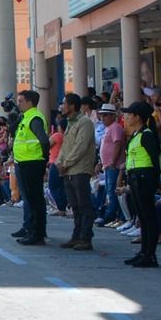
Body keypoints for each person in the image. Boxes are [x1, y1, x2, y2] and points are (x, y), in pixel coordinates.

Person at [120, 102, 161, 267]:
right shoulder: (137, 135)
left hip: (145, 178)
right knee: (142, 217)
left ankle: (150, 254)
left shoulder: (147, 135)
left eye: (130, 114)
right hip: (136, 178)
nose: (127, 117)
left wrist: (156, 181)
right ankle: (144, 252)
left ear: (138, 117)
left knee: (148, 217)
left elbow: (155, 160)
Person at [58, 93, 99, 250]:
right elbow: (66, 145)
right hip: (68, 170)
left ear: (72, 106)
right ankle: (76, 235)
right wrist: (59, 162)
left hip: (80, 169)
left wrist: (66, 162)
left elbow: (80, 147)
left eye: (64, 103)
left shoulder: (85, 123)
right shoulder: (70, 123)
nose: (62, 106)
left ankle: (85, 237)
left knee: (84, 204)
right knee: (74, 205)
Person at [10, 89, 49, 245]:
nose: (18, 104)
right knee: (30, 199)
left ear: (29, 102)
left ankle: (37, 233)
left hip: (32, 163)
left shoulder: (35, 118)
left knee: (35, 200)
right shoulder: (25, 117)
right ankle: (32, 230)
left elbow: (44, 141)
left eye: (21, 101)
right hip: (24, 162)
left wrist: (44, 160)